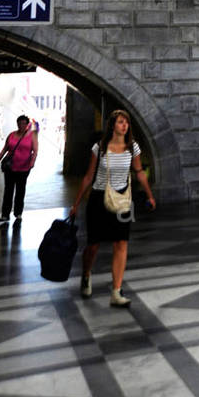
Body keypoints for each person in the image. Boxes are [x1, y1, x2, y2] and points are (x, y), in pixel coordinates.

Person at [70, 109, 155, 307]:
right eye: (120, 122)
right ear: (112, 126)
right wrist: (76, 204)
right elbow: (89, 176)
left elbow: (139, 172)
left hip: (122, 199)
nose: (124, 125)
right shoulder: (99, 148)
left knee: (121, 243)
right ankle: (86, 273)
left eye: (126, 122)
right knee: (93, 245)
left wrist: (150, 195)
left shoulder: (132, 148)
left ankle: (116, 291)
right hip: (99, 199)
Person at [0, 114, 38, 225]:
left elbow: (35, 151)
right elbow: (4, 150)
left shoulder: (32, 136)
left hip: (24, 168)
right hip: (10, 168)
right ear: (17, 124)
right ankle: (5, 214)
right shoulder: (12, 135)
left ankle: (18, 213)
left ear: (27, 125)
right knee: (8, 190)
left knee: (20, 190)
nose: (21, 125)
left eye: (24, 123)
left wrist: (32, 162)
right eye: (19, 123)